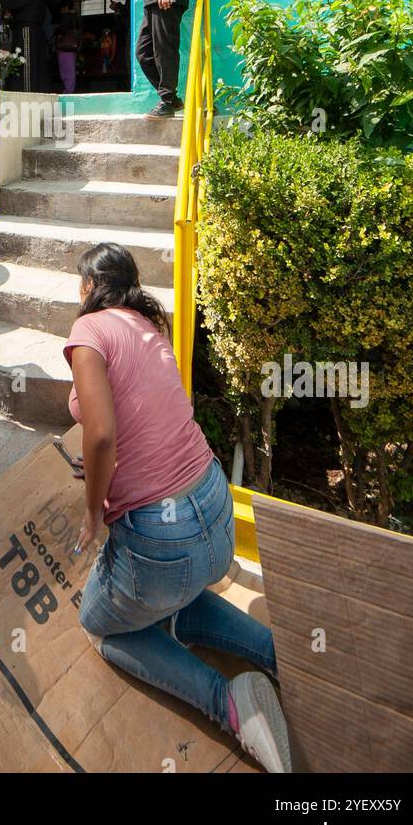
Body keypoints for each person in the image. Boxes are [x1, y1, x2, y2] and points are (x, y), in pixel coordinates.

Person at [64, 242, 291, 774]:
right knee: (169, 598)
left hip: (165, 543)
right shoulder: (150, 327)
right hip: (214, 511)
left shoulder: (89, 331)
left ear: (89, 289)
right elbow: (147, 419)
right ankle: (283, 657)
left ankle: (229, 703)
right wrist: (106, 466)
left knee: (101, 624)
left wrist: (94, 510)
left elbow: (99, 436)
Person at [2, 0, 49, 92]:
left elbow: (14, 4)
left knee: (27, 59)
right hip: (34, 31)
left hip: (28, 30)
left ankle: (28, 89)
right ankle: (33, 88)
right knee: (32, 59)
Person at [55, 0, 80, 94]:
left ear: (65, 7)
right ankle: (70, 90)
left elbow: (62, 30)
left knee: (65, 71)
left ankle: (68, 91)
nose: (61, 10)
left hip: (64, 47)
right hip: (72, 47)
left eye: (62, 8)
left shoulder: (66, 16)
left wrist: (57, 30)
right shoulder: (76, 16)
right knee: (70, 70)